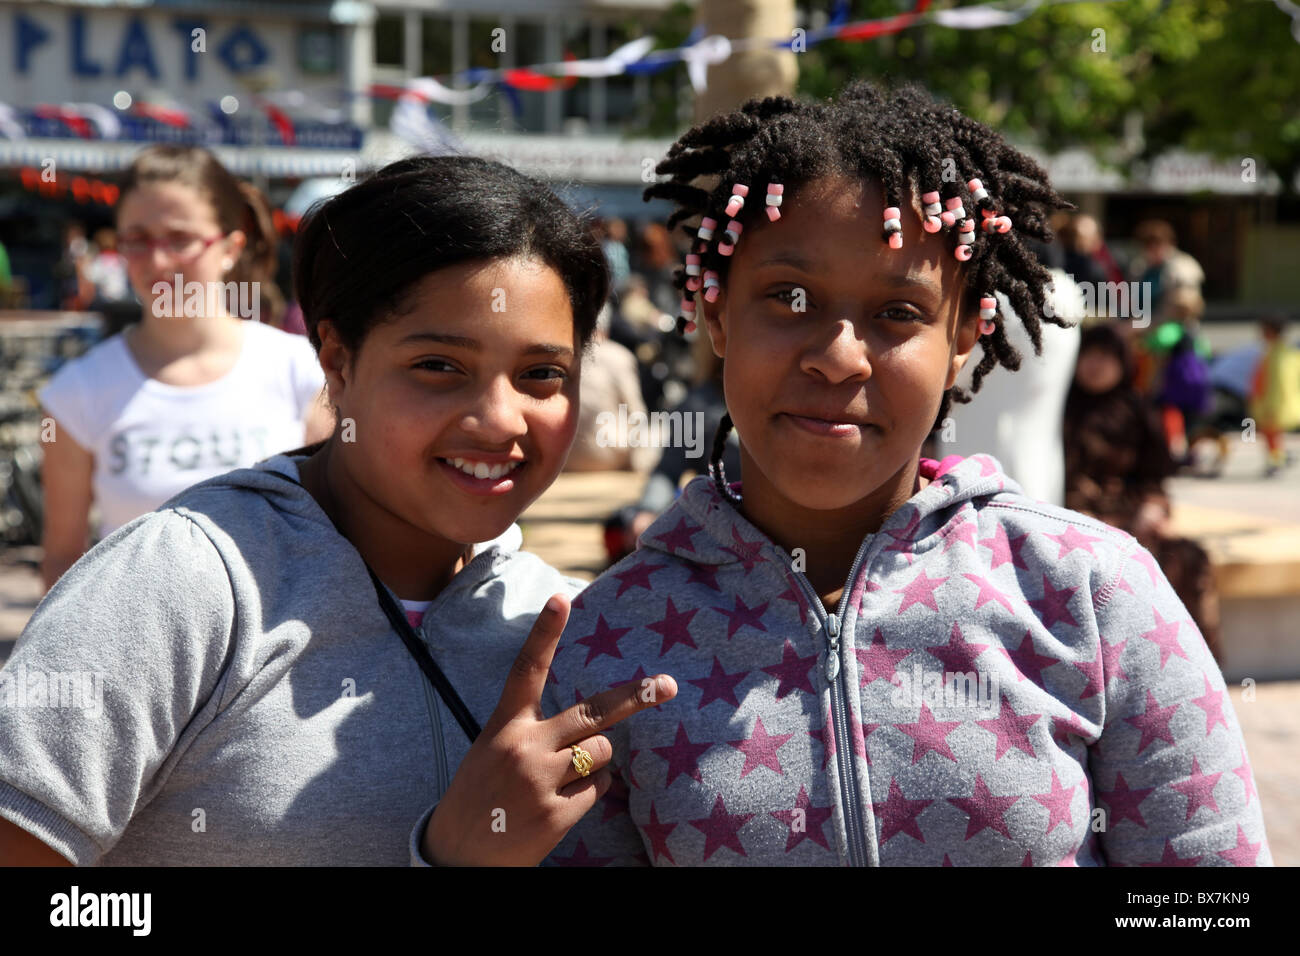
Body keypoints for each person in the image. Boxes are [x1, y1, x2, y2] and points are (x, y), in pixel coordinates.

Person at [542, 81, 1269, 866]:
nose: (838, 354)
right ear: (716, 315)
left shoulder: (1093, 594)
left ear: (962, 338)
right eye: (789, 298)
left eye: (899, 314)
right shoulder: (609, 639)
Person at [0, 155, 675, 866]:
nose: (499, 419)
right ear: (338, 361)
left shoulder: (579, 626)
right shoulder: (181, 585)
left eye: (542, 375)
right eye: (439, 366)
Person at [36, 145, 334, 591]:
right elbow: (63, 559)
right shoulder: (76, 393)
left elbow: (337, 539)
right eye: (137, 238)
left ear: (231, 246)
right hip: (136, 650)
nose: (158, 262)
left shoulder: (301, 373)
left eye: (179, 239)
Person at [1063, 323, 1222, 664]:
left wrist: (1154, 508)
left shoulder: (1137, 411)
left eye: (1106, 357)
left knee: (1187, 558)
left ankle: (1191, 664)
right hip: (1074, 517)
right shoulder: (1060, 409)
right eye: (1089, 355)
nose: (1096, 365)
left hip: (1130, 517)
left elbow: (1155, 479)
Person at [1249, 314, 1300, 477]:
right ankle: (1279, 456)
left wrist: (1269, 403)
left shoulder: (1277, 354)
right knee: (1271, 433)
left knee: (1270, 432)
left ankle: (1276, 458)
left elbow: (1276, 382)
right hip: (1271, 401)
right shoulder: (1280, 351)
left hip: (1271, 402)